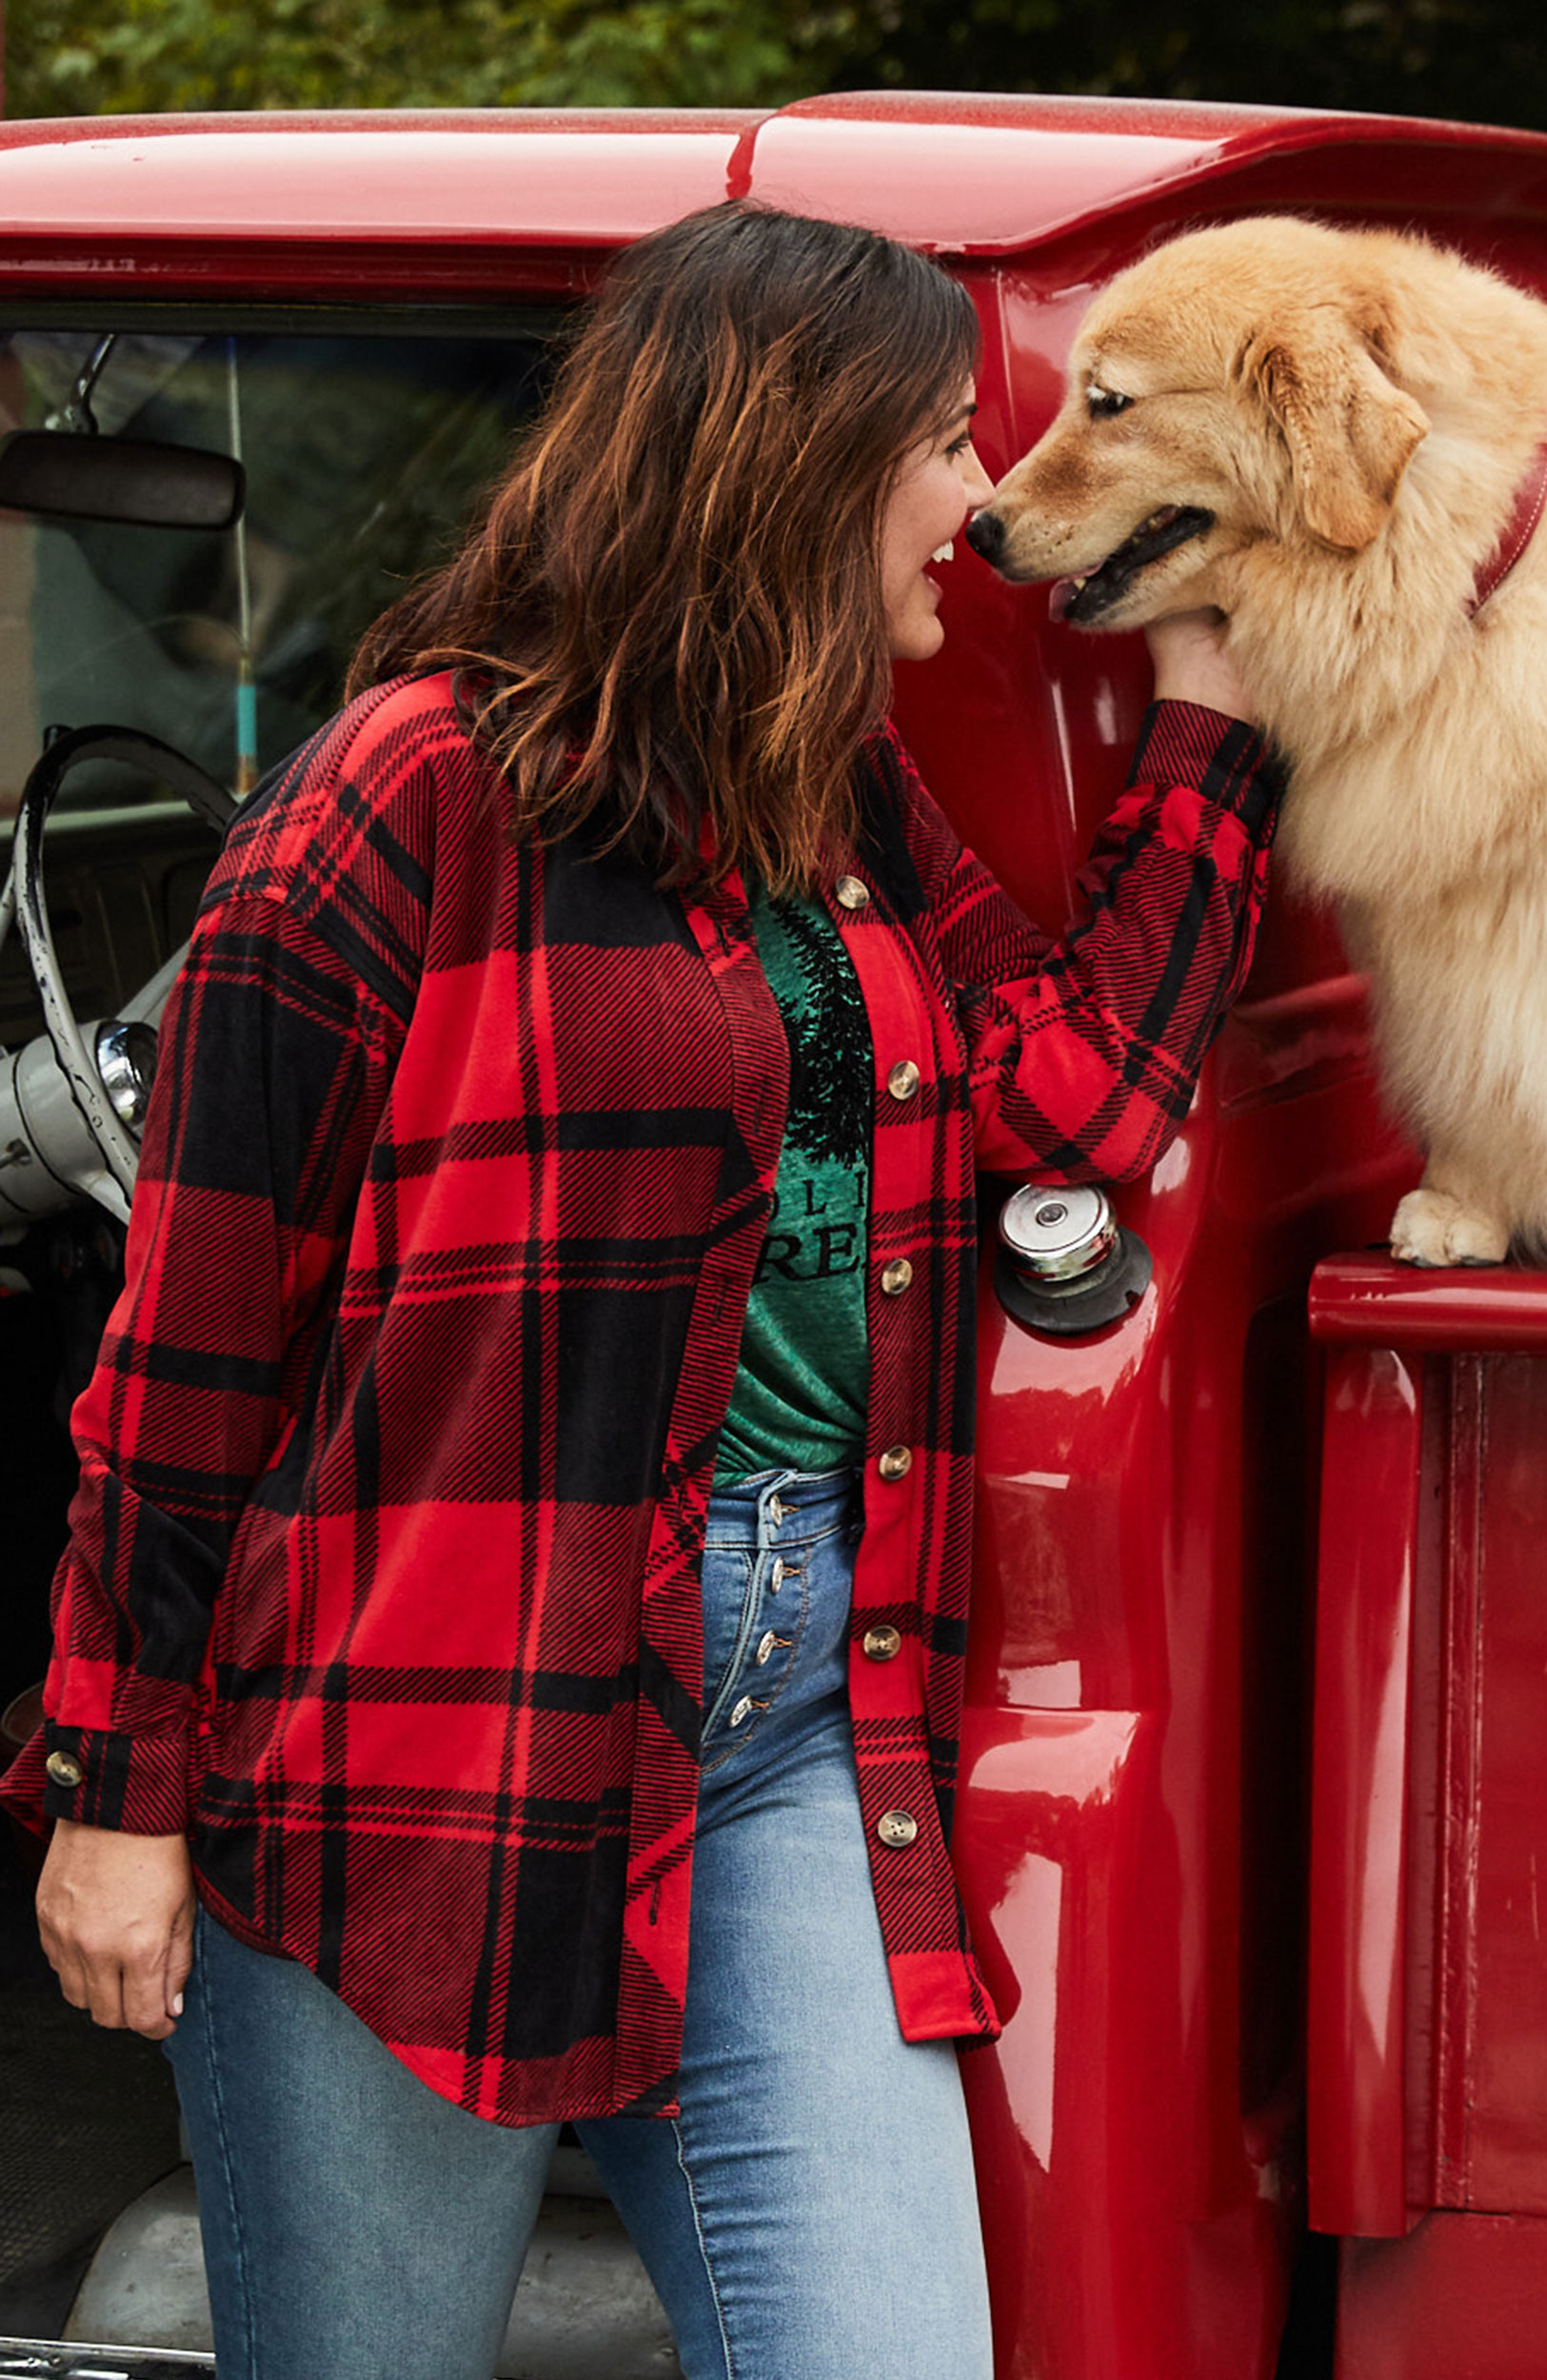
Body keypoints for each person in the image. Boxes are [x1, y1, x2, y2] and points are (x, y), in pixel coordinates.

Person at [3, 203, 1279, 2380]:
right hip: (421, 1732)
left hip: (780, 1714)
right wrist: (116, 1798)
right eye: (934, 445)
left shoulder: (832, 790)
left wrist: (1216, 704)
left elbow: (1066, 1091)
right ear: (781, 460)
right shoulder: (399, 798)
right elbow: (188, 1349)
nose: (976, 505)